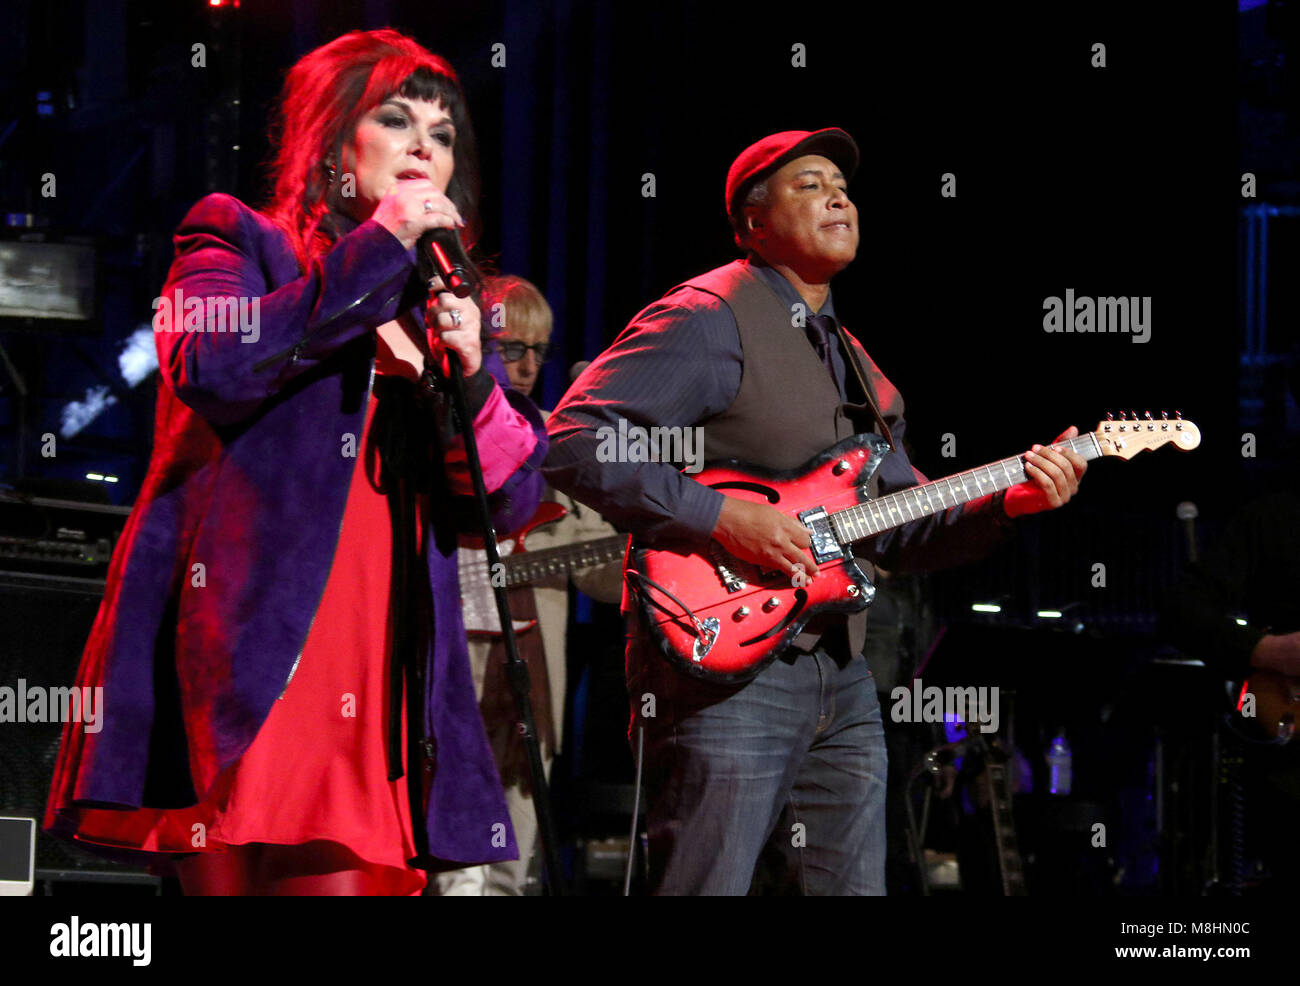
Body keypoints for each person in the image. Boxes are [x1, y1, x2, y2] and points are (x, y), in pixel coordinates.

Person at [42, 29, 547, 896]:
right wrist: (379, 248)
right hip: (248, 651)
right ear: (332, 138)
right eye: (396, 119)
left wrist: (470, 380)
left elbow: (507, 504)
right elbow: (212, 364)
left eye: (444, 130)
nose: (426, 143)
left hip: (373, 668)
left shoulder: (445, 307)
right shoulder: (237, 238)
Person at [543, 128, 1088, 895]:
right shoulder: (708, 315)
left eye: (841, 184)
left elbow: (902, 527)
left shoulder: (863, 371)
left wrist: (1009, 502)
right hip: (724, 674)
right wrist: (719, 517)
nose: (838, 196)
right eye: (809, 184)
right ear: (752, 223)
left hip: (842, 674)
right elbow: (572, 440)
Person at [438, 274, 623, 895]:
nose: (526, 366)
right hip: (446, 663)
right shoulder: (438, 421)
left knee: (513, 869)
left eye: (538, 351)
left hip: (528, 670)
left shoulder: (560, 438)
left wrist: (650, 535)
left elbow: (602, 577)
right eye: (511, 347)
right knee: (450, 868)